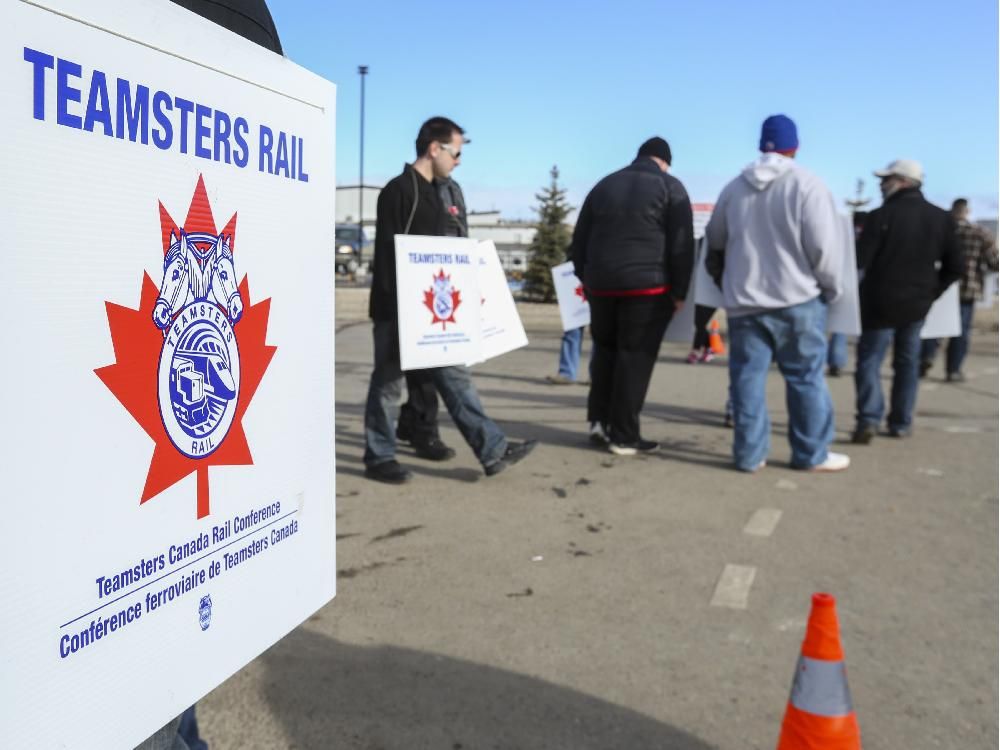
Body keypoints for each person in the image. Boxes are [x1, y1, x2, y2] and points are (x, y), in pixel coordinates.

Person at [363, 117, 537, 483]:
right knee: (389, 384)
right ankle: (379, 456)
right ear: (434, 148)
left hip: (434, 311)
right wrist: (400, 309)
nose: (458, 160)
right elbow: (389, 257)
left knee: (456, 379)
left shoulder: (438, 193)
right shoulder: (399, 191)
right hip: (398, 310)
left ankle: (492, 449)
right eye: (455, 152)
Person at [705, 114, 849, 473]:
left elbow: (716, 238)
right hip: (797, 298)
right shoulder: (808, 184)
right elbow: (823, 248)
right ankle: (810, 453)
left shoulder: (734, 187)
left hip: (744, 301)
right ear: (795, 146)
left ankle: (749, 455)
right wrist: (831, 288)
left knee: (747, 380)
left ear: (760, 144)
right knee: (805, 379)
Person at [571, 137, 694, 455]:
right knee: (634, 358)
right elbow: (682, 245)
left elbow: (579, 239)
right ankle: (624, 435)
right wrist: (680, 291)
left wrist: (588, 279)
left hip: (601, 287)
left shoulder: (603, 185)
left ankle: (598, 422)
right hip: (647, 289)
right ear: (664, 161)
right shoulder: (671, 187)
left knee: (605, 353)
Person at [851, 160, 963, 444]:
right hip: (917, 305)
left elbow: (860, 260)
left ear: (901, 181)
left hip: (878, 304)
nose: (880, 184)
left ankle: (868, 418)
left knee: (869, 361)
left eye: (885, 179)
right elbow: (956, 266)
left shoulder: (880, 216)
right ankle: (900, 422)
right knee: (907, 363)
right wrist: (931, 292)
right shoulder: (940, 218)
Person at [394, 174, 471, 460]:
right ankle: (425, 432)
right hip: (422, 281)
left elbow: (462, 232)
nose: (459, 161)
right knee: (425, 370)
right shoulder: (415, 190)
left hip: (448, 280)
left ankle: (410, 422)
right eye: (456, 151)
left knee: (432, 368)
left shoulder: (453, 189)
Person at [919, 198, 998, 382]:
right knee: (961, 332)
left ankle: (926, 358)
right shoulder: (980, 233)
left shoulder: (940, 231)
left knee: (934, 328)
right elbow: (995, 262)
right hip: (967, 288)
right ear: (967, 211)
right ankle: (953, 370)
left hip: (939, 287)